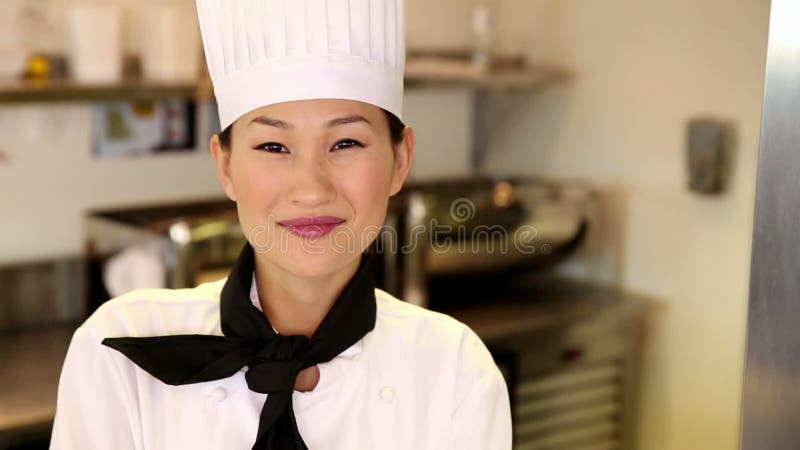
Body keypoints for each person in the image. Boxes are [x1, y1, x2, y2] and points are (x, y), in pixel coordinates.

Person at [50, 1, 512, 449]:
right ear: (225, 165)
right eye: (273, 146)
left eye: (346, 142)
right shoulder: (120, 351)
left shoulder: (455, 371)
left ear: (400, 159)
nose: (310, 188)